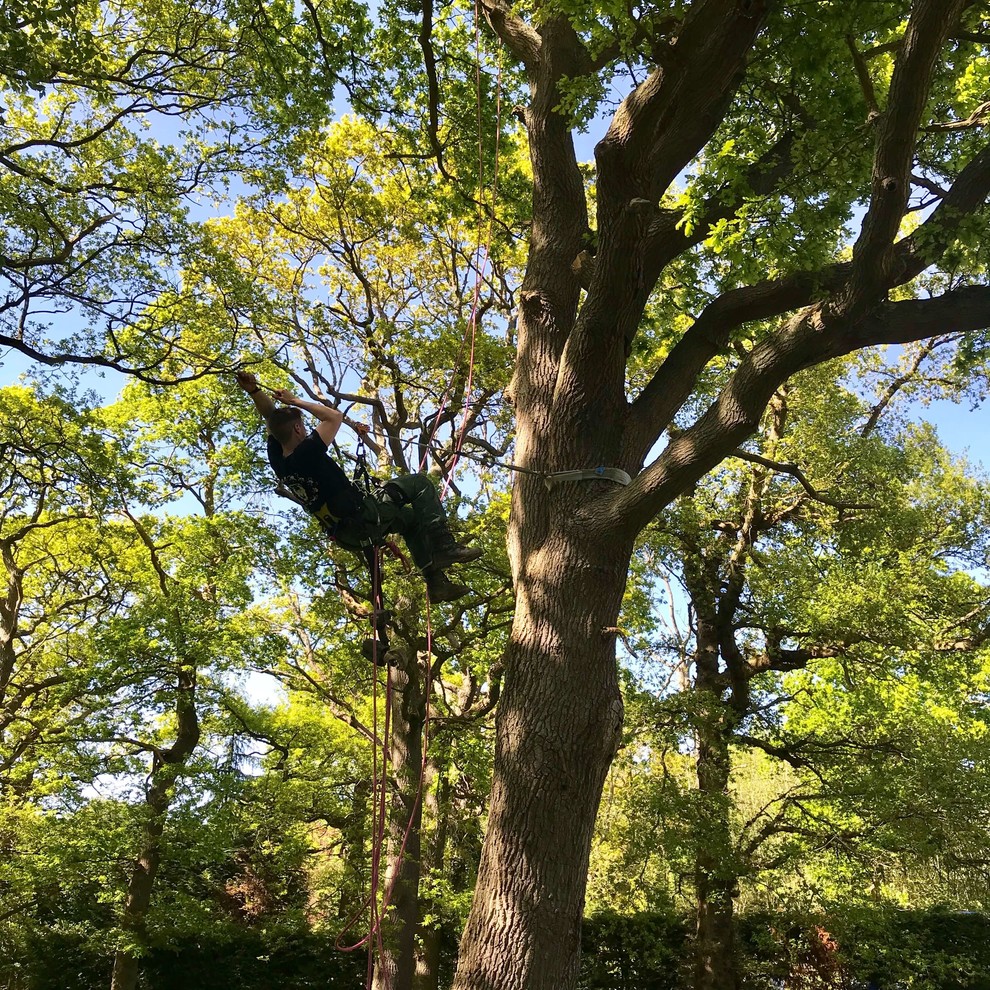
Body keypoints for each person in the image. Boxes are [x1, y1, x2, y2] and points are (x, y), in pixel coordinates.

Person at [236, 371, 480, 611]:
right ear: (298, 429)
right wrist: (295, 401)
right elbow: (334, 417)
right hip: (363, 516)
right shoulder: (306, 452)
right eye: (304, 427)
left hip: (348, 534)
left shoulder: (278, 461)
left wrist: (254, 391)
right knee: (419, 483)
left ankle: (435, 583)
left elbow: (271, 417)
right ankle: (444, 546)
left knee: (413, 520)